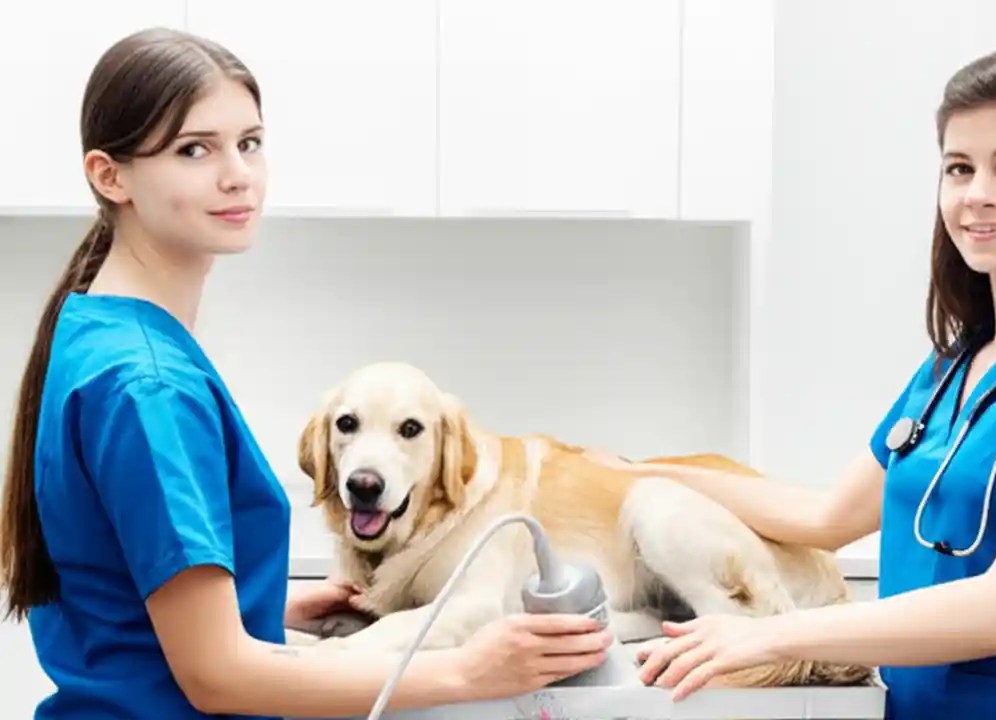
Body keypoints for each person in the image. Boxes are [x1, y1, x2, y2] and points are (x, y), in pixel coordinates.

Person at [0, 27, 611, 719]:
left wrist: (262, 605)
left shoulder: (95, 330)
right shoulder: (150, 386)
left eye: (250, 142)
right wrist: (468, 672)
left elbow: (111, 587)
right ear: (109, 176)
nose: (238, 174)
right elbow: (218, 678)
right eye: (194, 149)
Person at [613, 43, 996, 719]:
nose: (979, 194)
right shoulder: (954, 365)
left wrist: (766, 636)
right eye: (959, 167)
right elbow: (826, 518)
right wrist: (633, 473)